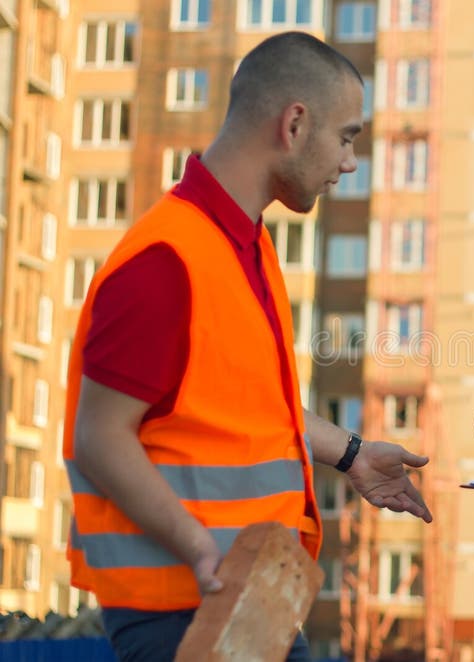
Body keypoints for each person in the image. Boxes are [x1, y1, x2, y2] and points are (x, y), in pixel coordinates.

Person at [63, 32, 432, 662]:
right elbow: (97, 439)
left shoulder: (244, 245)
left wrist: (352, 455)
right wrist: (199, 545)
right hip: (180, 609)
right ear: (293, 124)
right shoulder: (165, 262)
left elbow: (250, 411)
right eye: (346, 137)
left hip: (239, 596)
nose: (349, 162)